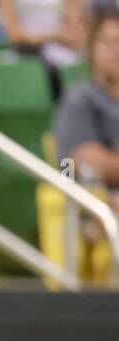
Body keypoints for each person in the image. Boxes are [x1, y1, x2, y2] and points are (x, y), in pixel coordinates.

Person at [54, 2, 119, 216]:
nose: (116, 51)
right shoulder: (79, 100)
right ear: (91, 50)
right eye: (108, 43)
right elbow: (68, 170)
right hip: (96, 211)